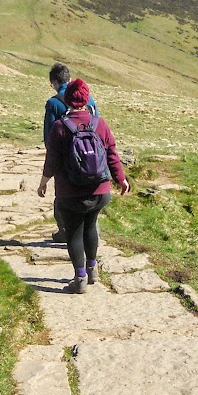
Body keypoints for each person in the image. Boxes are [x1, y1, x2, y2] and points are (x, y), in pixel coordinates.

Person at [38, 78, 128, 293]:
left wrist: (43, 182)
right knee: (91, 226)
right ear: (86, 99)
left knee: (74, 232)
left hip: (70, 193)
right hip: (99, 191)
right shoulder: (100, 123)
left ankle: (79, 279)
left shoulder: (60, 126)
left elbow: (53, 160)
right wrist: (121, 179)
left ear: (67, 100)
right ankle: (92, 270)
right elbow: (112, 154)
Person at [43, 63, 97, 243]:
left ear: (54, 82)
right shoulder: (89, 100)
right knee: (89, 193)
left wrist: (51, 164)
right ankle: (90, 231)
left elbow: (49, 137)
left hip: (66, 161)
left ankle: (64, 231)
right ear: (70, 79)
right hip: (91, 157)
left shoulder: (53, 103)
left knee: (63, 196)